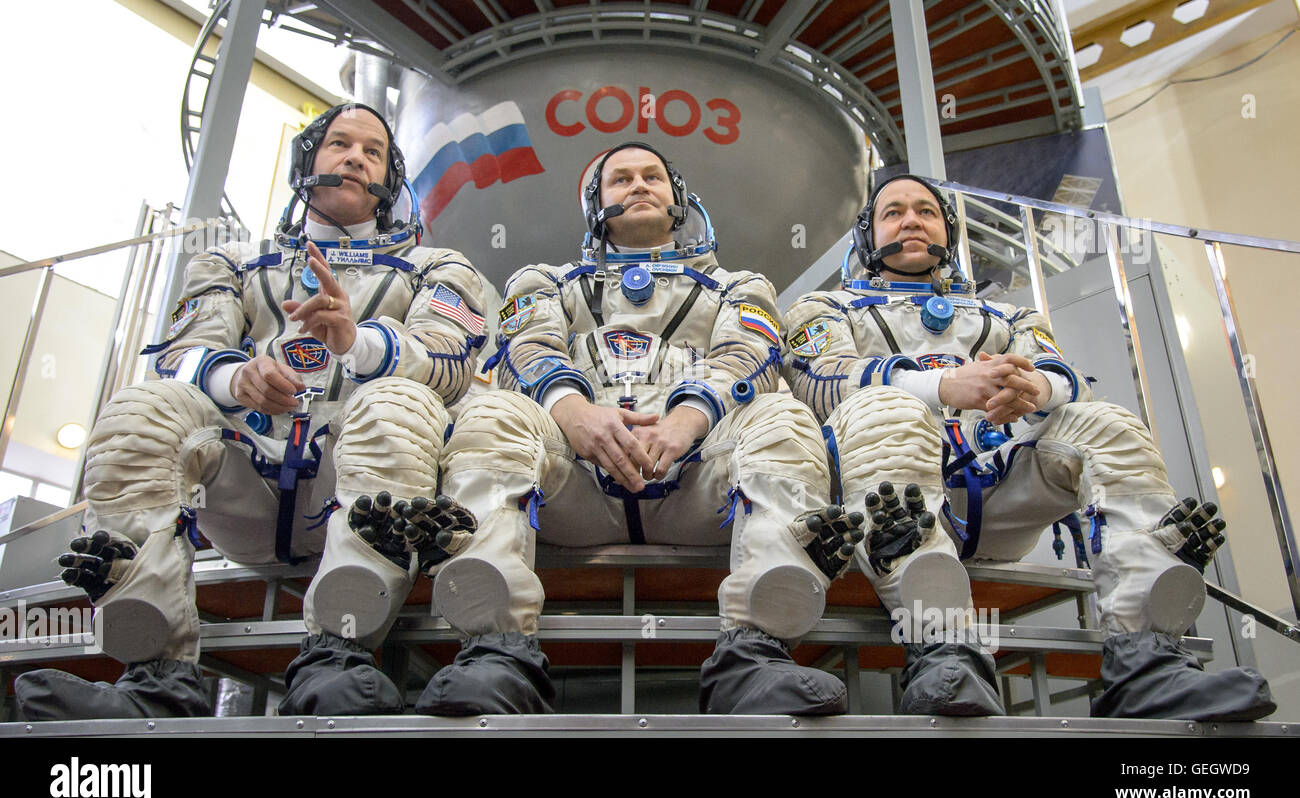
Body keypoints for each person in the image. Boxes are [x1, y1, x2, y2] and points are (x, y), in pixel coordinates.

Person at [14, 103, 486, 720]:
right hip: (243, 491)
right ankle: (155, 676)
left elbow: (449, 363)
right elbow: (179, 357)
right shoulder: (232, 262)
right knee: (144, 407)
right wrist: (234, 378)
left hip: (360, 488)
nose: (355, 158)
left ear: (389, 179)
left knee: (399, 402)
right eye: (340, 144)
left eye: (372, 151)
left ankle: (338, 657)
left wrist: (359, 344)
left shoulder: (436, 268)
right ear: (307, 161)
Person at [782, 173, 1275, 721]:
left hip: (998, 496)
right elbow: (819, 381)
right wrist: (946, 385)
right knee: (887, 409)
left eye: (926, 210)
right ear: (868, 235)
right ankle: (944, 652)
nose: (911, 220)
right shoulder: (825, 309)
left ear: (948, 230)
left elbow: (1067, 378)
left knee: (1104, 423)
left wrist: (1034, 388)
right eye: (893, 212)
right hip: (888, 506)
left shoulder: (1008, 317)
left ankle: (1147, 662)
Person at [411, 142, 866, 715]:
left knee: (783, 416)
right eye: (620, 179)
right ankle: (495, 652)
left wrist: (685, 420)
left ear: (679, 198)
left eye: (652, 176)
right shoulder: (544, 281)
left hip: (697, 487)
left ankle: (755, 654)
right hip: (574, 487)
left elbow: (746, 357)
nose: (639, 185)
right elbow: (527, 349)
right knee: (493, 413)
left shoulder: (739, 287)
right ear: (595, 204)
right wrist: (576, 414)